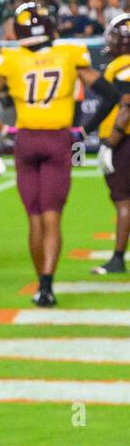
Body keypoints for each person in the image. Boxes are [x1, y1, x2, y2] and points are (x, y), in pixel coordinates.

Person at [0, 2, 122, 305]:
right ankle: (48, 285)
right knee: (52, 218)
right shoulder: (68, 55)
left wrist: (2, 130)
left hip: (25, 141)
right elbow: (111, 95)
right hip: (58, 140)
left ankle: (40, 284)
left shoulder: (11, 60)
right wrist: (85, 130)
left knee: (34, 218)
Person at [93, 14, 130, 274]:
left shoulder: (123, 65)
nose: (111, 41)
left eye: (116, 36)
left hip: (124, 140)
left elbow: (126, 104)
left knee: (123, 202)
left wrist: (110, 141)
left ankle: (117, 258)